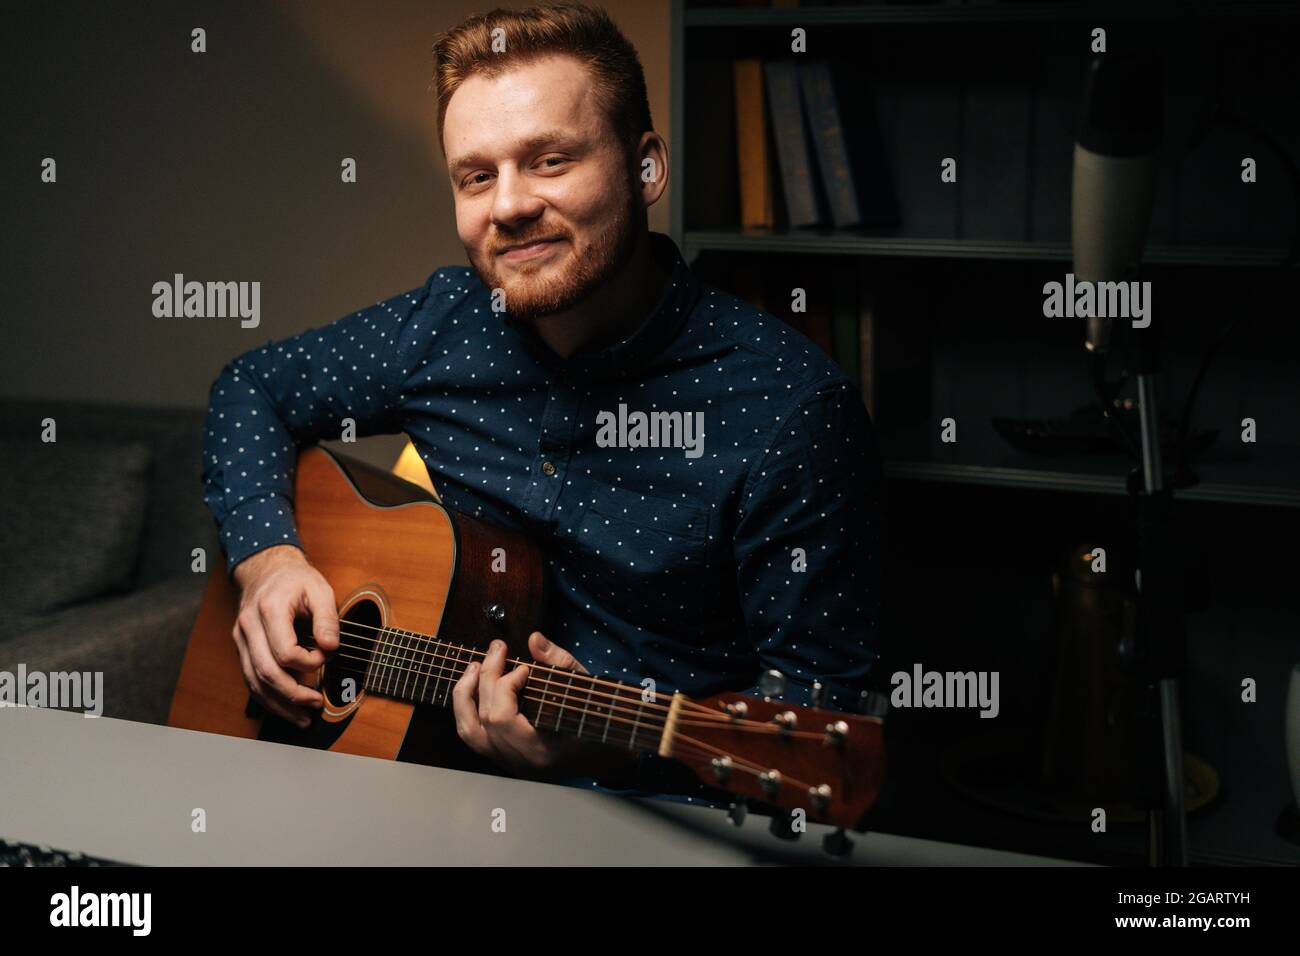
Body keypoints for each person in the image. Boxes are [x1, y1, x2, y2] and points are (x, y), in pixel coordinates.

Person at [201, 2, 883, 792]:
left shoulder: (791, 412)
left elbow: (818, 712)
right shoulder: (439, 327)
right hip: (417, 789)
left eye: (551, 161)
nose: (510, 205)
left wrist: (615, 751)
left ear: (646, 167)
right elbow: (249, 387)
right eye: (477, 176)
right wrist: (267, 560)